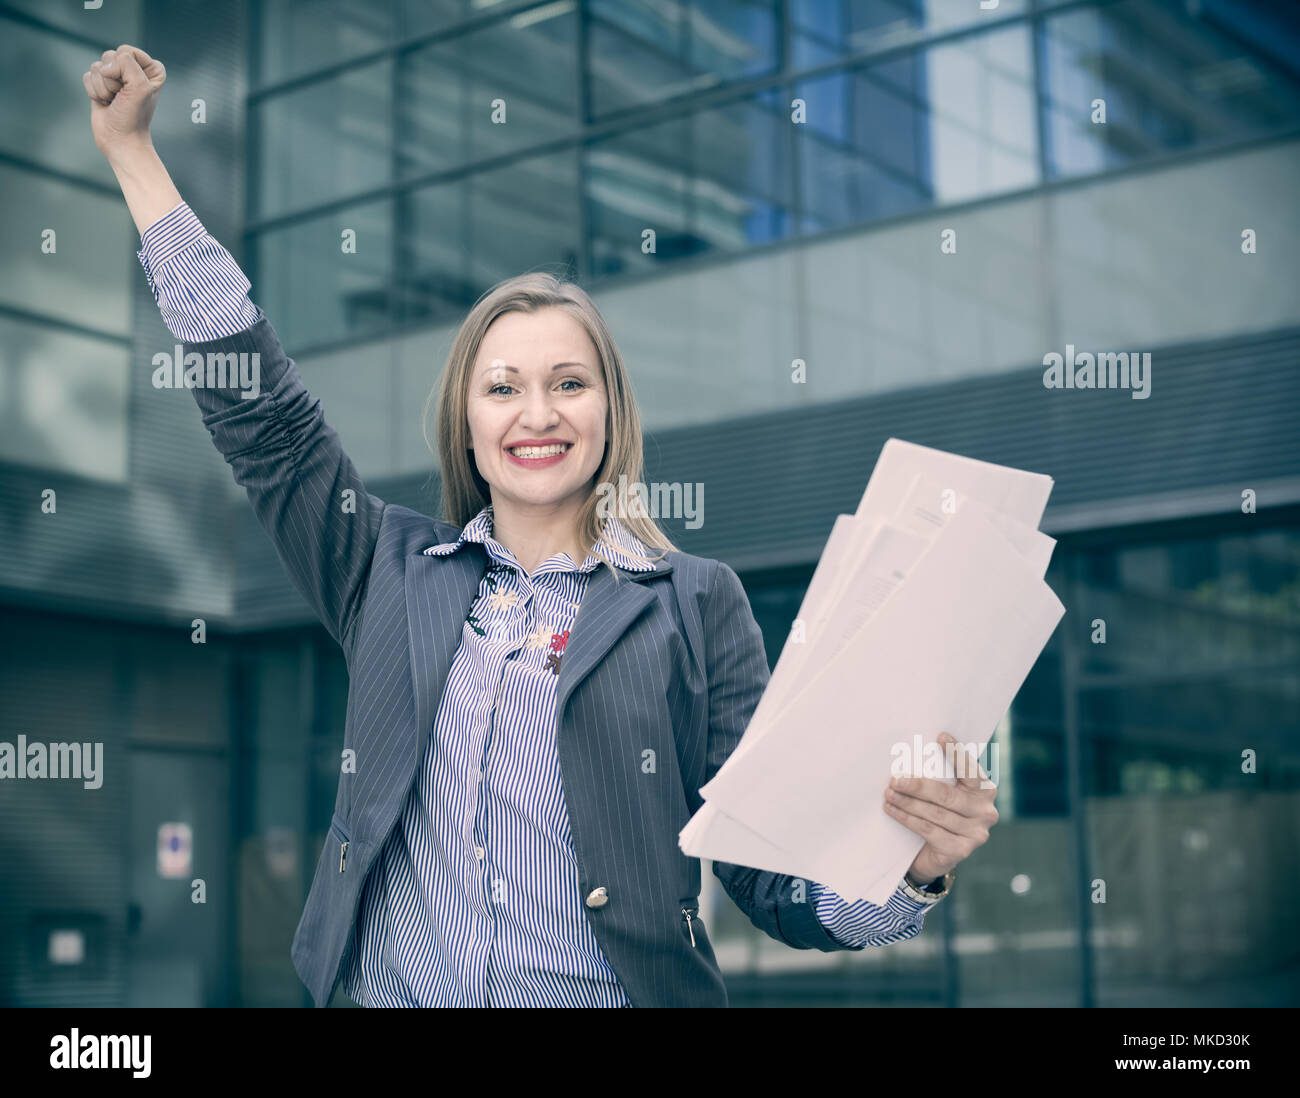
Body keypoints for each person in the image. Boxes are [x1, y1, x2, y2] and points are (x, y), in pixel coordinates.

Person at [84, 44, 999, 1008]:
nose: (538, 413)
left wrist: (916, 870)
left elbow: (768, 877)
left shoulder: (694, 604)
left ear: (610, 413)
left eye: (570, 383)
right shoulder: (384, 568)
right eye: (503, 388)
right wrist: (136, 159)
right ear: (468, 426)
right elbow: (262, 415)